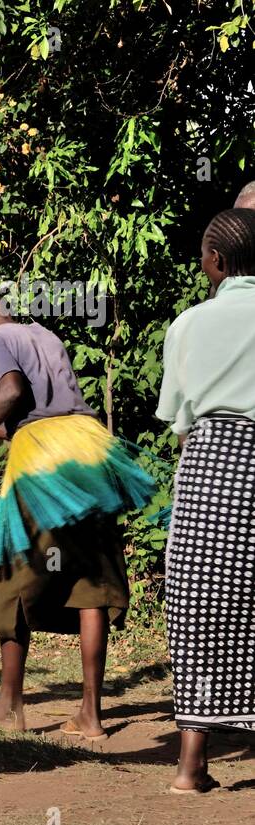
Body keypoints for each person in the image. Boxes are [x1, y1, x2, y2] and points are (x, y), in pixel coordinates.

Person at [0, 297, 153, 739]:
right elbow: (44, 412)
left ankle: (10, 703)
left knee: (16, 574)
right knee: (91, 583)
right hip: (90, 448)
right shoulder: (45, 335)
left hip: (43, 461)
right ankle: (91, 715)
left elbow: (10, 392)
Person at [156, 208, 255, 793]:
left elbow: (179, 420)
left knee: (201, 608)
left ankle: (192, 766)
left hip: (212, 463)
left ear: (215, 262)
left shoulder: (190, 324)